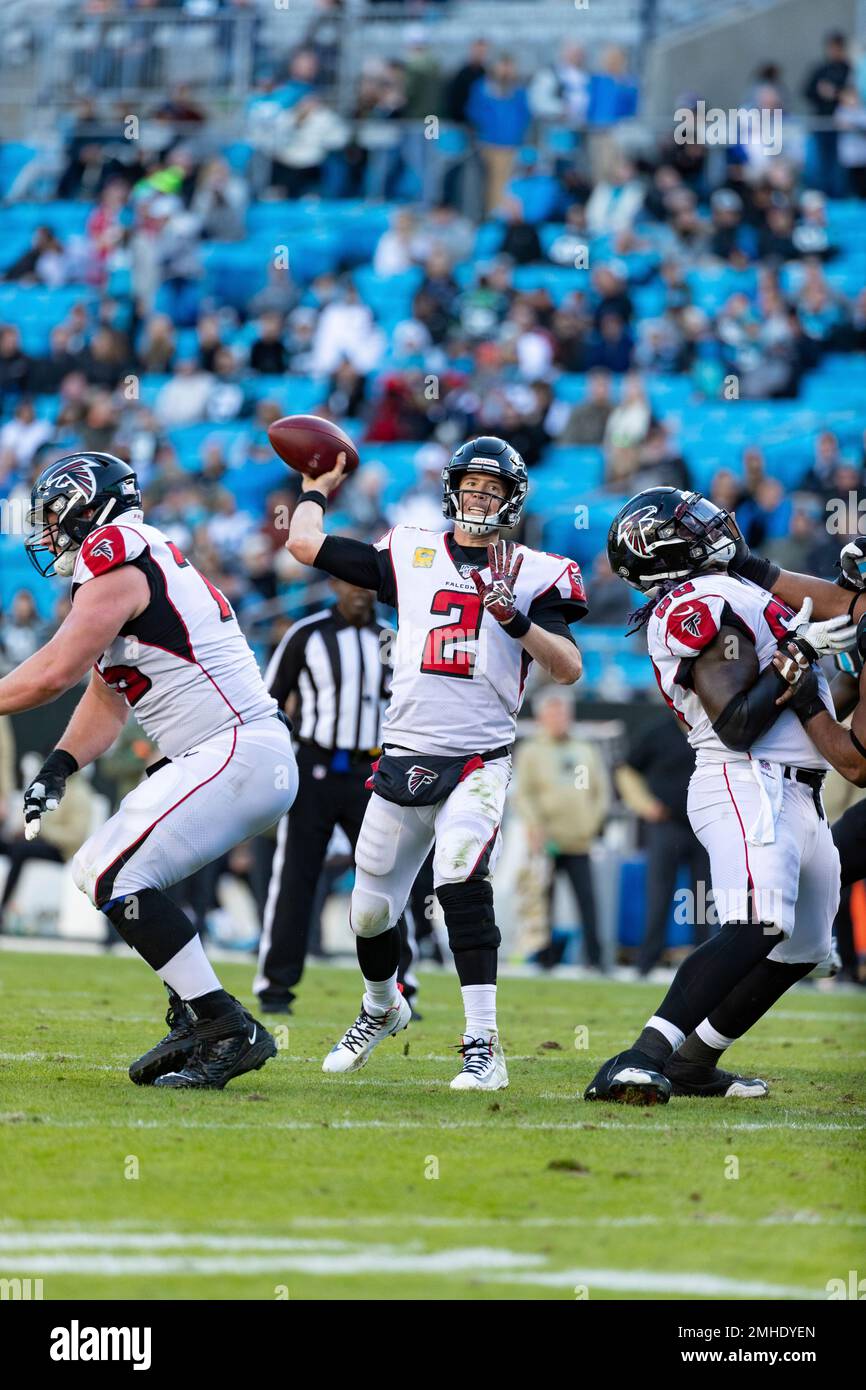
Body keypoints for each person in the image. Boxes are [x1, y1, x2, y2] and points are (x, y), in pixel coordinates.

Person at [288, 435, 586, 1089]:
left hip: (478, 759)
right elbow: (305, 546)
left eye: (493, 488)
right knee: (367, 915)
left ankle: (483, 1044)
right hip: (403, 756)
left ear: (511, 500)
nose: (480, 496)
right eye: (471, 485)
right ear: (453, 489)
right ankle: (380, 1008)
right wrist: (315, 487)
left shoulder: (537, 570)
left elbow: (567, 668)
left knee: (457, 876)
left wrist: (515, 621)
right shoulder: (410, 549)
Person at [2, 451, 298, 1089]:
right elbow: (107, 697)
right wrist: (59, 765)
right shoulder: (136, 563)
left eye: (55, 517)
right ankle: (200, 1016)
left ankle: (224, 1025)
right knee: (103, 871)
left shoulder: (117, 550)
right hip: (225, 754)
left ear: (92, 509)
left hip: (235, 747)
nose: (47, 533)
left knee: (112, 871)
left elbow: (52, 673)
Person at [586, 485, 851, 1104]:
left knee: (807, 944)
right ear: (666, 550)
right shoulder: (697, 599)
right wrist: (797, 656)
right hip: (746, 776)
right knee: (758, 922)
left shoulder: (740, 588)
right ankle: (639, 1057)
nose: (712, 524)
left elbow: (831, 642)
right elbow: (736, 722)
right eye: (693, 522)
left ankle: (695, 1061)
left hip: (801, 790)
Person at [254, 578, 418, 1014]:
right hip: (314, 765)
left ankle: (403, 986)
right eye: (350, 584)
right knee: (296, 876)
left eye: (365, 585)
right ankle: (275, 987)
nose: (360, 592)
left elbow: (411, 703)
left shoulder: (391, 638)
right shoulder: (306, 634)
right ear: (333, 585)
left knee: (388, 875)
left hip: (372, 770)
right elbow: (270, 701)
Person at [512, 687, 610, 969]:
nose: (559, 718)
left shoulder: (584, 749)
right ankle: (543, 959)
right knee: (542, 902)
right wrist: (535, 825)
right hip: (546, 841)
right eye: (553, 712)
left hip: (579, 839)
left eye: (563, 712)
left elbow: (599, 791)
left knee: (587, 901)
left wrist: (591, 824)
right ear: (542, 716)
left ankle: (596, 959)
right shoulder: (531, 751)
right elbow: (524, 793)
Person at [616, 712, 710, 976]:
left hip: (703, 827)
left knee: (703, 897)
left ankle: (706, 963)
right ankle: (647, 962)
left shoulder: (711, 729)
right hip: (666, 824)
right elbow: (626, 770)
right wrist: (645, 806)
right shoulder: (657, 731)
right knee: (658, 894)